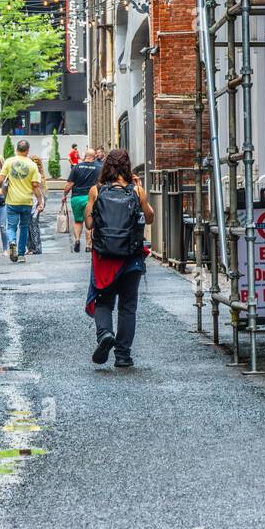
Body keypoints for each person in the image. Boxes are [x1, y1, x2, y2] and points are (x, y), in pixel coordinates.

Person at [84, 149, 154, 369]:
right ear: (127, 167)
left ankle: (105, 333)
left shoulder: (96, 190)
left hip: (105, 257)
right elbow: (150, 218)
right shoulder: (137, 190)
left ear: (106, 166)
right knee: (127, 306)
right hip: (131, 257)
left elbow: (88, 224)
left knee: (104, 301)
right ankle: (123, 355)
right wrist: (139, 191)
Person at [0, 139, 44, 262]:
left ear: (16, 149)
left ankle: (12, 241)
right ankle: (20, 255)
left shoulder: (9, 162)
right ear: (27, 150)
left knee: (11, 226)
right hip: (27, 201)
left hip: (12, 201)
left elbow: (0, 180)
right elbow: (35, 186)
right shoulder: (32, 165)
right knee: (24, 227)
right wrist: (40, 201)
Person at [61, 147, 101, 253]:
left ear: (85, 156)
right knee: (90, 222)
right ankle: (88, 245)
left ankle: (77, 240)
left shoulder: (76, 167)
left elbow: (70, 184)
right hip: (91, 198)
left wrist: (64, 195)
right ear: (94, 156)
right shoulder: (99, 168)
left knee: (78, 221)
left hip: (77, 198)